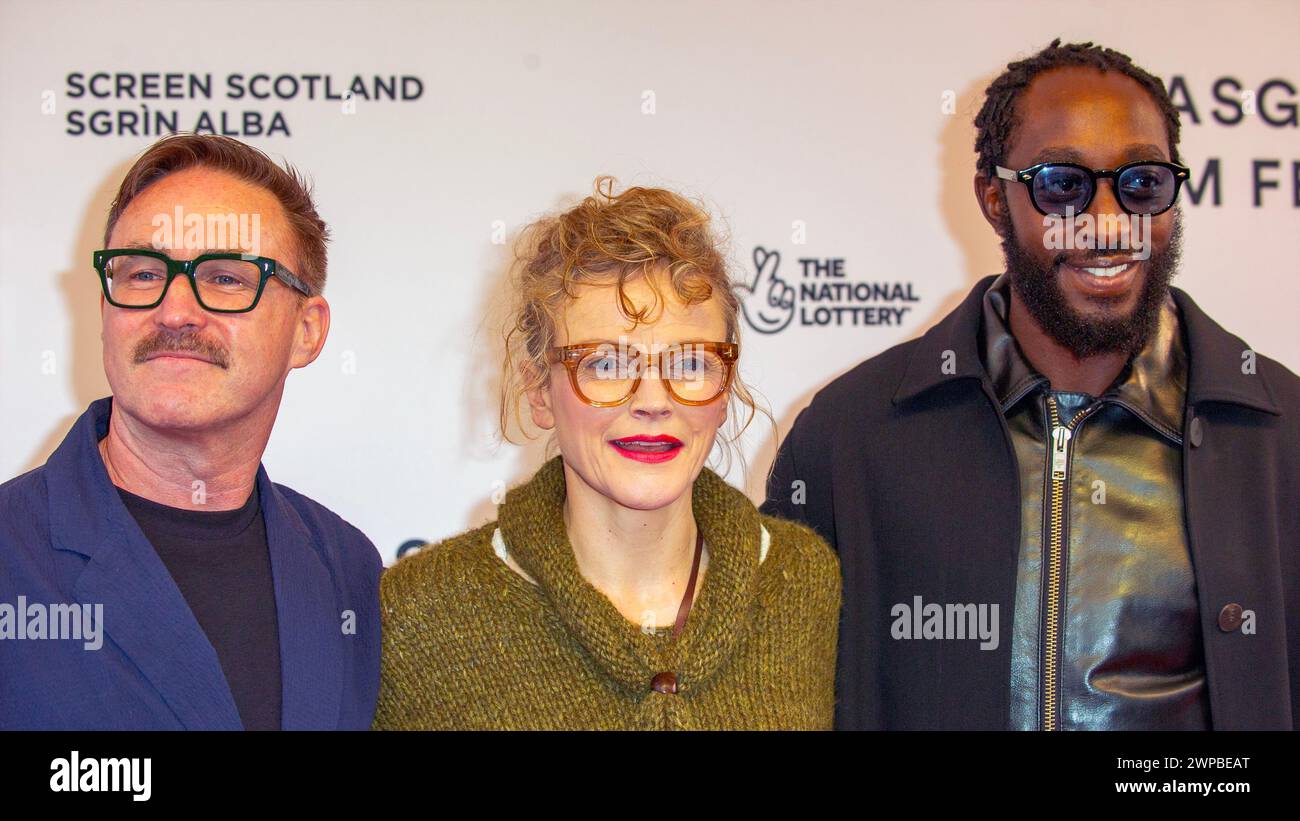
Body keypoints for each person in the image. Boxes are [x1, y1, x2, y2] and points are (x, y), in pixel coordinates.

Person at [763, 40, 1300, 730]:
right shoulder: (850, 438)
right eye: (1062, 185)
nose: (1109, 222)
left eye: (1141, 182)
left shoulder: (1279, 439)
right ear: (994, 199)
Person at [374, 177, 840, 729]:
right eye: (605, 363)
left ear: (724, 388)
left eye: (690, 363)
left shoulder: (803, 581)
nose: (652, 400)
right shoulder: (421, 613)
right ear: (538, 391)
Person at [0, 134, 382, 729]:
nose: (174, 311)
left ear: (307, 330)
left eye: (227, 277)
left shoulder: (347, 568)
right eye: (144, 272)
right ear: (104, 310)